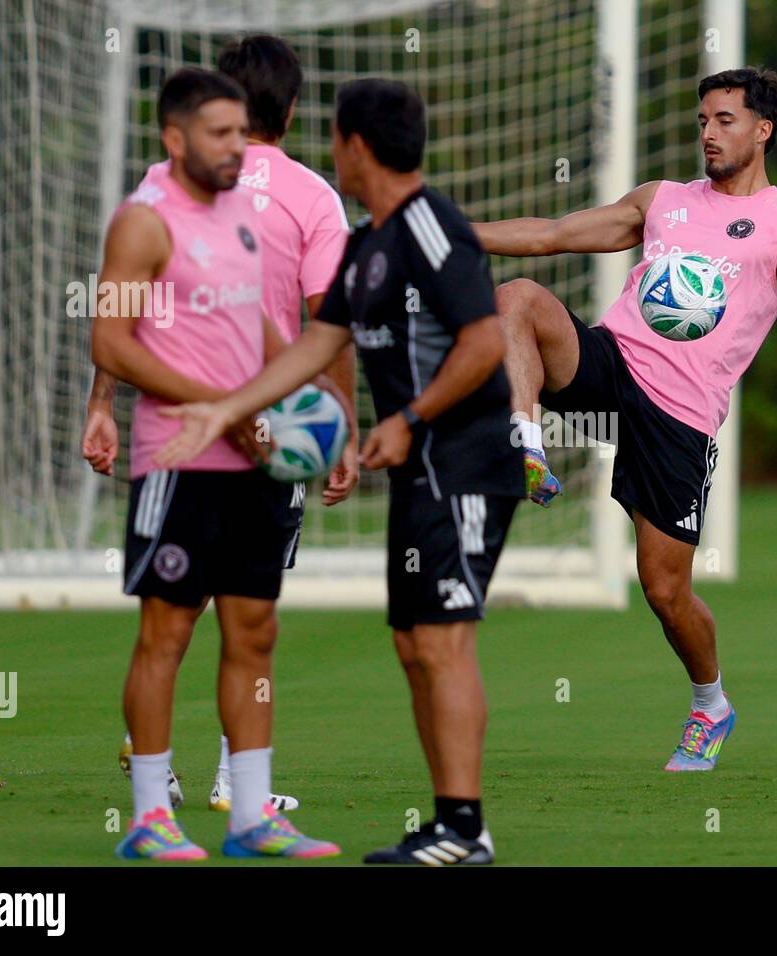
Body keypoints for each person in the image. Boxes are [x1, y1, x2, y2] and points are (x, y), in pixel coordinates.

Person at [472, 66, 777, 771]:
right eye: (703, 120)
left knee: (665, 591)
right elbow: (551, 234)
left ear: (763, 130)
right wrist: (452, 233)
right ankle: (524, 442)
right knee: (516, 297)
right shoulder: (661, 201)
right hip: (610, 369)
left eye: (725, 120)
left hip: (680, 419)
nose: (708, 133)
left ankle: (710, 704)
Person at [155, 78, 521, 866]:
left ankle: (465, 830)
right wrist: (231, 409)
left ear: (356, 146)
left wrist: (408, 420)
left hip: (465, 464)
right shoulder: (366, 245)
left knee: (443, 643)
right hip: (418, 473)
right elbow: (318, 347)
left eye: (335, 139)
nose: (330, 153)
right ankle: (449, 822)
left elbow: (485, 342)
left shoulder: (433, 227)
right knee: (413, 644)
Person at [83, 33, 358, 815]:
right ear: (176, 139)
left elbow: (268, 329)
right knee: (167, 631)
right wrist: (209, 406)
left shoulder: (243, 215)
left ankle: (249, 809)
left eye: (242, 130)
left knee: (254, 631)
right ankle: (150, 813)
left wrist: (317, 414)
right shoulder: (142, 218)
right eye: (221, 133)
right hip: (180, 453)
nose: (239, 147)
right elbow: (111, 338)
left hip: (260, 451)